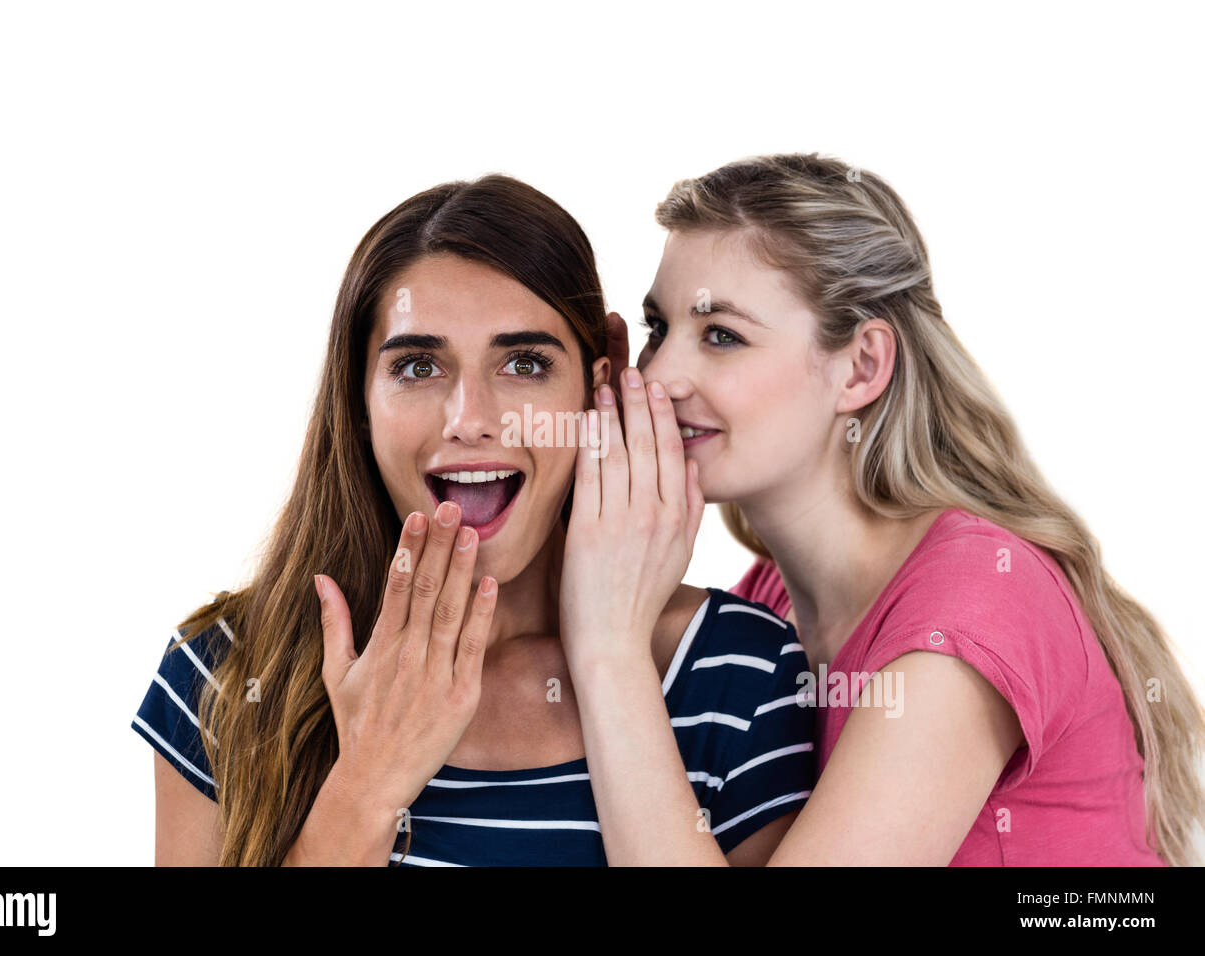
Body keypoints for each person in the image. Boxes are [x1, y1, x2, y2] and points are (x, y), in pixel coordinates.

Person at [130, 173, 816, 866]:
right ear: (358, 398)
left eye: (524, 363)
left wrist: (609, 652)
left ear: (597, 381)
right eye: (418, 366)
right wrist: (366, 787)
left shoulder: (742, 676)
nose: (471, 421)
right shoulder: (223, 674)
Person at [560, 153, 1205, 865]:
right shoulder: (772, 600)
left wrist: (611, 653)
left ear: (862, 366)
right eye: (659, 328)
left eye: (721, 335)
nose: (659, 376)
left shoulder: (974, 608)